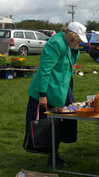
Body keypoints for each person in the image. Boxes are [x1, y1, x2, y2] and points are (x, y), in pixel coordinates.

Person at [25, 21, 87, 166]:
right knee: (49, 125)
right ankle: (52, 156)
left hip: (61, 89)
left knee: (62, 123)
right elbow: (44, 71)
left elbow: (70, 61)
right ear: (72, 35)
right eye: (78, 40)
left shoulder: (67, 43)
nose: (79, 42)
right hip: (48, 90)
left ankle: (54, 155)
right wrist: (42, 94)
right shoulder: (55, 44)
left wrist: (76, 48)